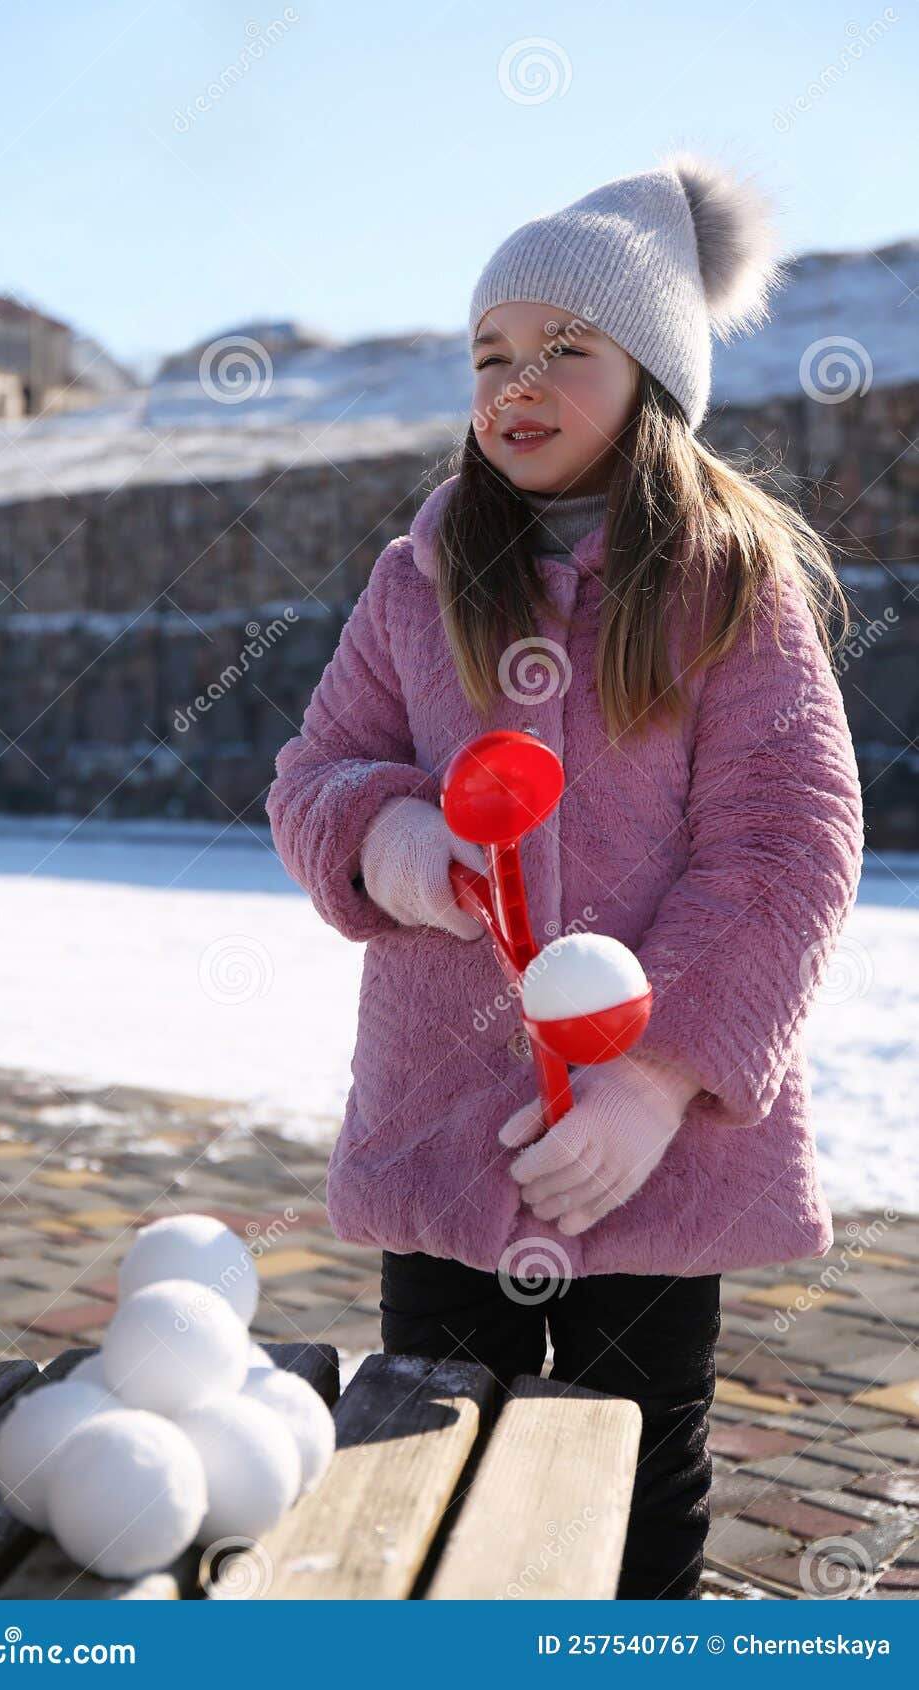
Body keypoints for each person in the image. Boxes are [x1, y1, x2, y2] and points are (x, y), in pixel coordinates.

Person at [264, 153, 865, 1599]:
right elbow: (312, 777)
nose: (514, 382)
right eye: (490, 354)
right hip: (445, 1122)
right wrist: (394, 841)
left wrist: (658, 1078)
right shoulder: (421, 574)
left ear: (652, 373)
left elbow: (790, 837)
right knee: (416, 1460)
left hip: (651, 1157)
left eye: (564, 351)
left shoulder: (726, 581)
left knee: (633, 1485)